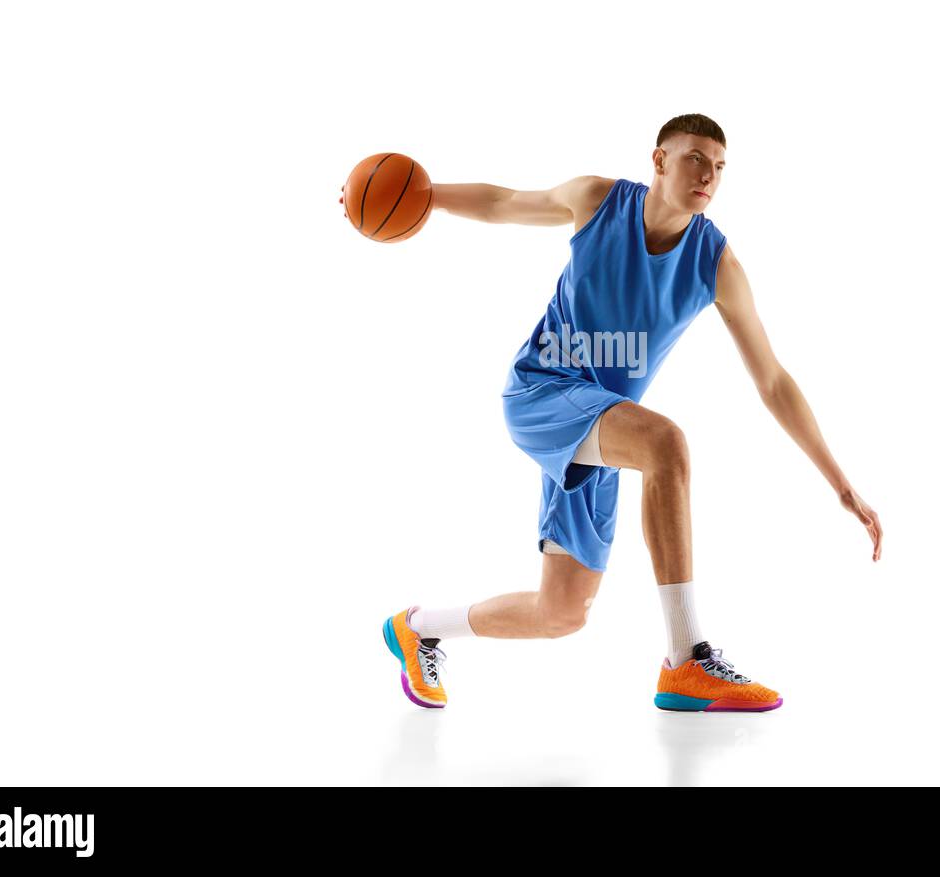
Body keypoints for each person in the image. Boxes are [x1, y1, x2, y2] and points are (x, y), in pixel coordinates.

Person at [373, 113, 881, 713]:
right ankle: (687, 661)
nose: (707, 176)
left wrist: (841, 484)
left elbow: (772, 379)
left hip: (604, 427)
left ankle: (418, 627)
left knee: (561, 613)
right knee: (665, 443)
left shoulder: (716, 263)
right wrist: (422, 196)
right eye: (695, 158)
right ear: (660, 161)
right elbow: (506, 202)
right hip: (541, 389)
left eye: (719, 167)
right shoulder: (597, 201)